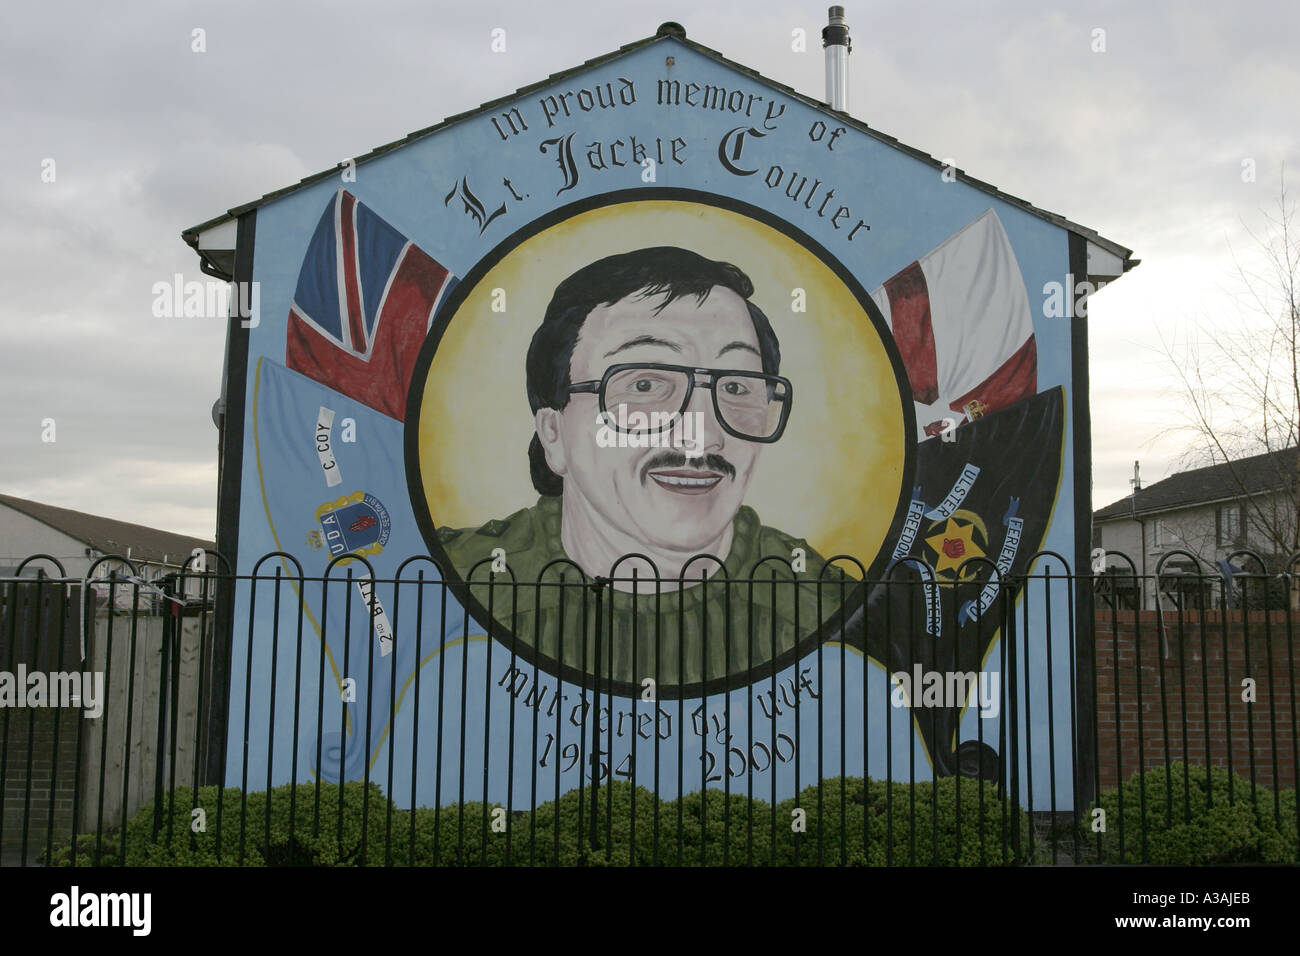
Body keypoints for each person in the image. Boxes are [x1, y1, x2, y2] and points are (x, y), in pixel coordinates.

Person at [436, 247, 849, 694]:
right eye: (646, 385)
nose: (703, 437)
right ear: (554, 433)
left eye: (735, 387)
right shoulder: (450, 588)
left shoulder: (830, 607)